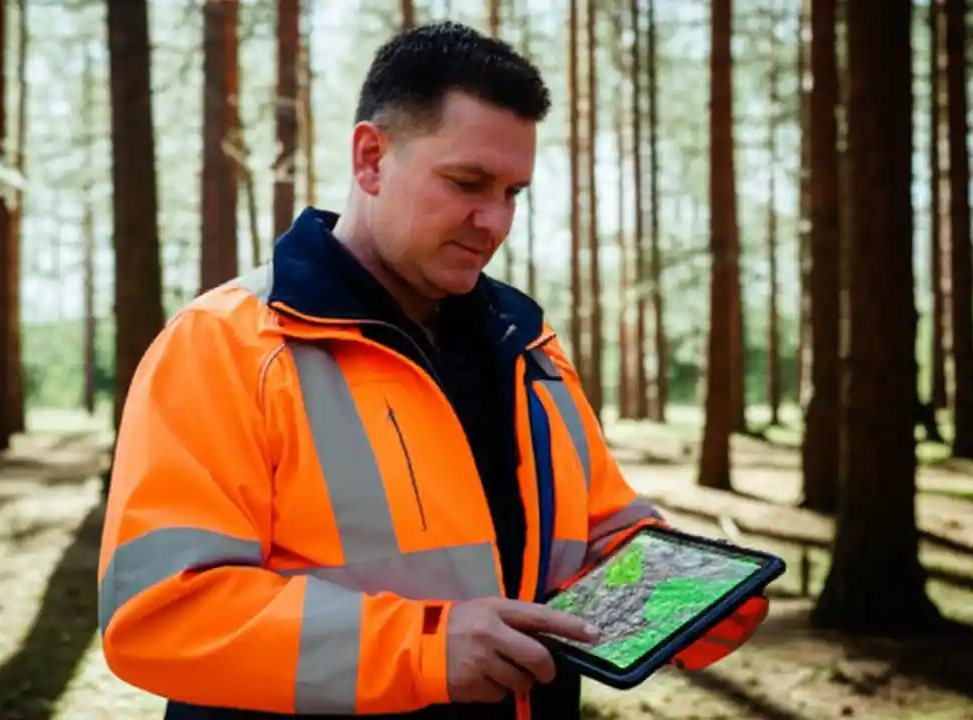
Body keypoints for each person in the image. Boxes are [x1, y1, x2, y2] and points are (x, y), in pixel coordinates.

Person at [97, 21, 767, 720]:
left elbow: (597, 533)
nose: (495, 221)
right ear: (370, 158)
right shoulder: (225, 345)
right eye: (468, 182)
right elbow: (160, 616)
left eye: (514, 192)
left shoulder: (531, 346)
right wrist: (426, 650)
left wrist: (691, 596)